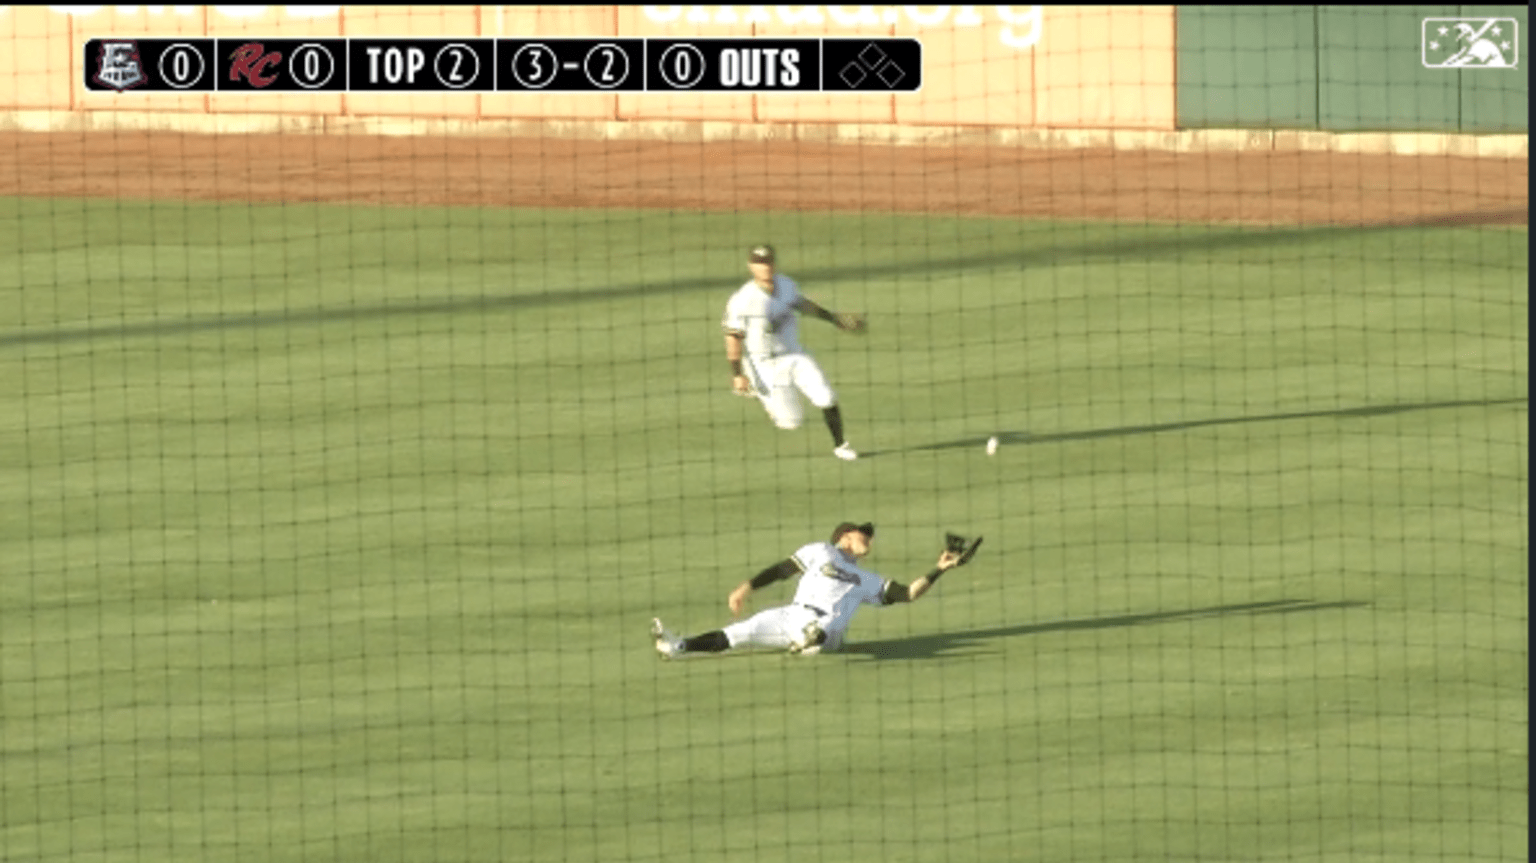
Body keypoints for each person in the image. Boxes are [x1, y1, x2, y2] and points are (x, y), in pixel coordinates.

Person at [650, 522, 968, 658]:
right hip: (791, 617)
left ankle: (811, 640)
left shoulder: (866, 579)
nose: (869, 538)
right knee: (740, 632)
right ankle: (679, 647)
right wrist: (745, 588)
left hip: (825, 628)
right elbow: (781, 570)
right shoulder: (820, 551)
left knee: (824, 627)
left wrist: (939, 569)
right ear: (844, 535)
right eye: (864, 533)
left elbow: (909, 593)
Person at [722, 244, 866, 461]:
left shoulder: (786, 285)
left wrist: (834, 318)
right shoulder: (742, 300)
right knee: (791, 422)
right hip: (764, 365)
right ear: (751, 266)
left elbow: (803, 305)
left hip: (795, 356)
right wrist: (736, 374)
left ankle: (841, 445)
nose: (765, 268)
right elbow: (733, 336)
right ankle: (757, 389)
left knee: (826, 396)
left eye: (768, 262)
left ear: (774, 263)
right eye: (759, 264)